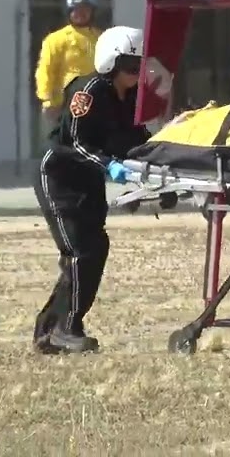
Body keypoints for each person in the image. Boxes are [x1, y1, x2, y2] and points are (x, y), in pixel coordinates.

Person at [32, 25, 150, 354]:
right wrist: (110, 165)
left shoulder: (131, 98)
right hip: (59, 176)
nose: (136, 74)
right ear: (111, 63)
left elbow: (138, 139)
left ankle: (48, 330)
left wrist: (154, 172)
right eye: (130, 67)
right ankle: (68, 328)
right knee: (79, 252)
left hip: (89, 181)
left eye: (140, 67)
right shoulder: (88, 92)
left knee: (95, 248)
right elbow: (76, 143)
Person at [35, 0, 102, 124]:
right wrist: (47, 99)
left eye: (85, 9)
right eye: (76, 10)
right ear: (69, 11)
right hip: (64, 102)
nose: (81, 13)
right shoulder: (55, 39)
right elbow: (46, 70)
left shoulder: (102, 37)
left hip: (97, 100)